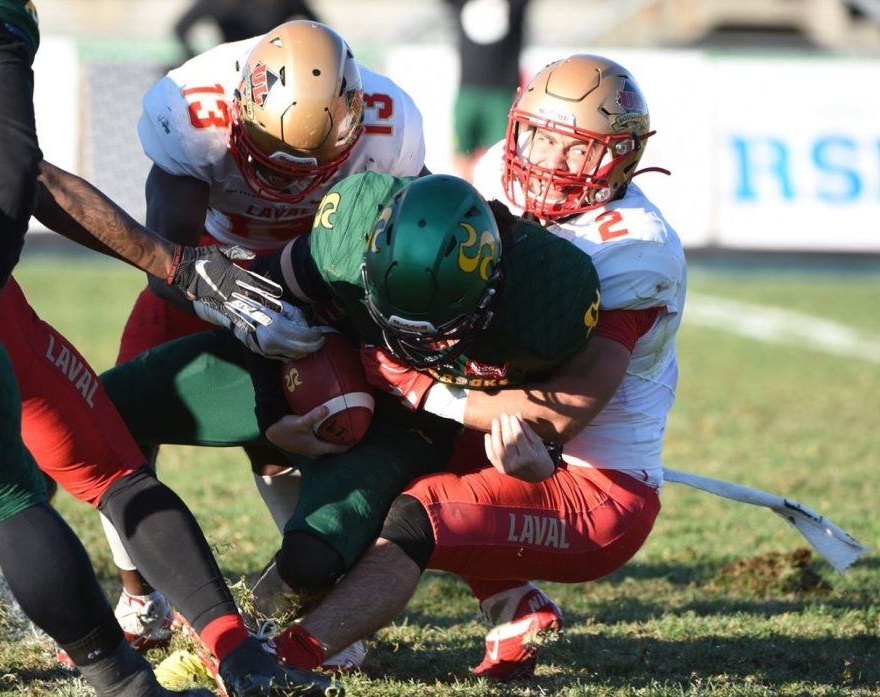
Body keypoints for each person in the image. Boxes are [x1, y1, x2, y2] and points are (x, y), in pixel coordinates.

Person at [258, 53, 686, 681]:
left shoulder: (633, 250)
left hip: (594, 486)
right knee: (378, 455)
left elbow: (553, 418)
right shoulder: (496, 176)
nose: (547, 162)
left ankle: (289, 657)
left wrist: (425, 389)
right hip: (492, 430)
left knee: (417, 513)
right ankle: (513, 606)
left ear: (622, 156)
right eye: (538, 136)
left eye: (578, 150)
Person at [0, 5, 338, 696]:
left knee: (108, 462)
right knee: (11, 494)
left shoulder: (385, 122)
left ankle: (232, 649)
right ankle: (128, 678)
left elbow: (32, 177)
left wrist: (179, 266)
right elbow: (17, 168)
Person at [97, 172, 600, 671]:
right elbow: (264, 299)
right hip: (313, 357)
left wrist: (541, 458)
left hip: (407, 426)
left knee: (310, 563)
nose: (404, 341)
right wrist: (272, 412)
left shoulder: (548, 299)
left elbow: (555, 416)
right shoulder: (351, 229)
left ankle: (244, 632)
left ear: (491, 289)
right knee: (102, 406)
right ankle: (141, 601)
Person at [105, 18, 426, 640]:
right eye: (266, 157)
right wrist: (230, 303)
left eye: (304, 164)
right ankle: (140, 600)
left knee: (307, 428)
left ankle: (319, 595)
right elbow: (165, 257)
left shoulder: (392, 131)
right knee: (116, 429)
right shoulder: (191, 106)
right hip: (207, 265)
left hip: (318, 273)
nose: (281, 181)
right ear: (239, 107)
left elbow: (395, 244)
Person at [445, 0, 530, 180]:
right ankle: (470, 191)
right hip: (468, 90)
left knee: (502, 152)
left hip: (501, 94)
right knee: (461, 149)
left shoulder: (513, 5)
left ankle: (494, 201)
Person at [174, 0, 320, 61]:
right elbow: (180, 28)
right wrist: (197, 59)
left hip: (272, 73)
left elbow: (318, 29)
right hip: (235, 71)